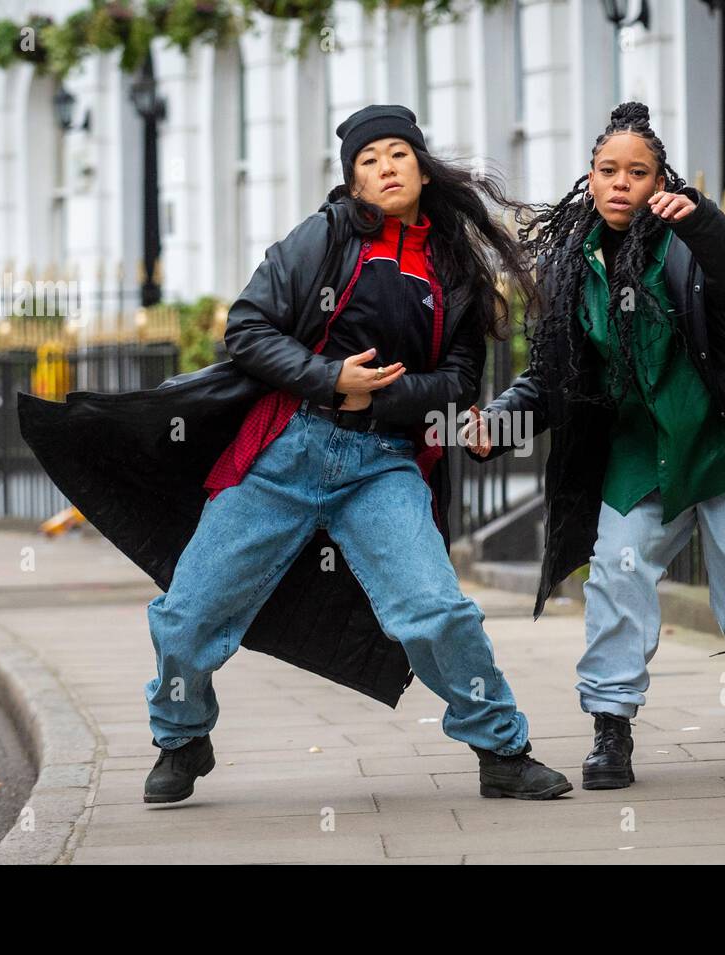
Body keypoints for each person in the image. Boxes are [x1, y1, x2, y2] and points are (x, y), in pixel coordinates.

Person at [141, 104, 571, 803]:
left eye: (398, 154)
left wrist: (374, 402)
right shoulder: (324, 237)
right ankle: (181, 737)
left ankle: (502, 750)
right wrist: (329, 379)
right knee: (188, 615)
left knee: (439, 611)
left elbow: (459, 383)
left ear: (422, 169)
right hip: (285, 452)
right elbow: (248, 329)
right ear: (354, 183)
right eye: (369, 161)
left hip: (383, 464)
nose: (386, 167)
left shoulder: (453, 265)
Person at [462, 102, 725, 790]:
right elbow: (549, 378)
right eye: (608, 170)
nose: (621, 182)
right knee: (618, 579)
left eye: (638, 171)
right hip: (633, 459)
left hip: (720, 452)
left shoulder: (688, 241)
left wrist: (703, 218)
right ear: (589, 179)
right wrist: (497, 424)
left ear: (660, 180)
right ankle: (610, 727)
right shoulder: (568, 266)